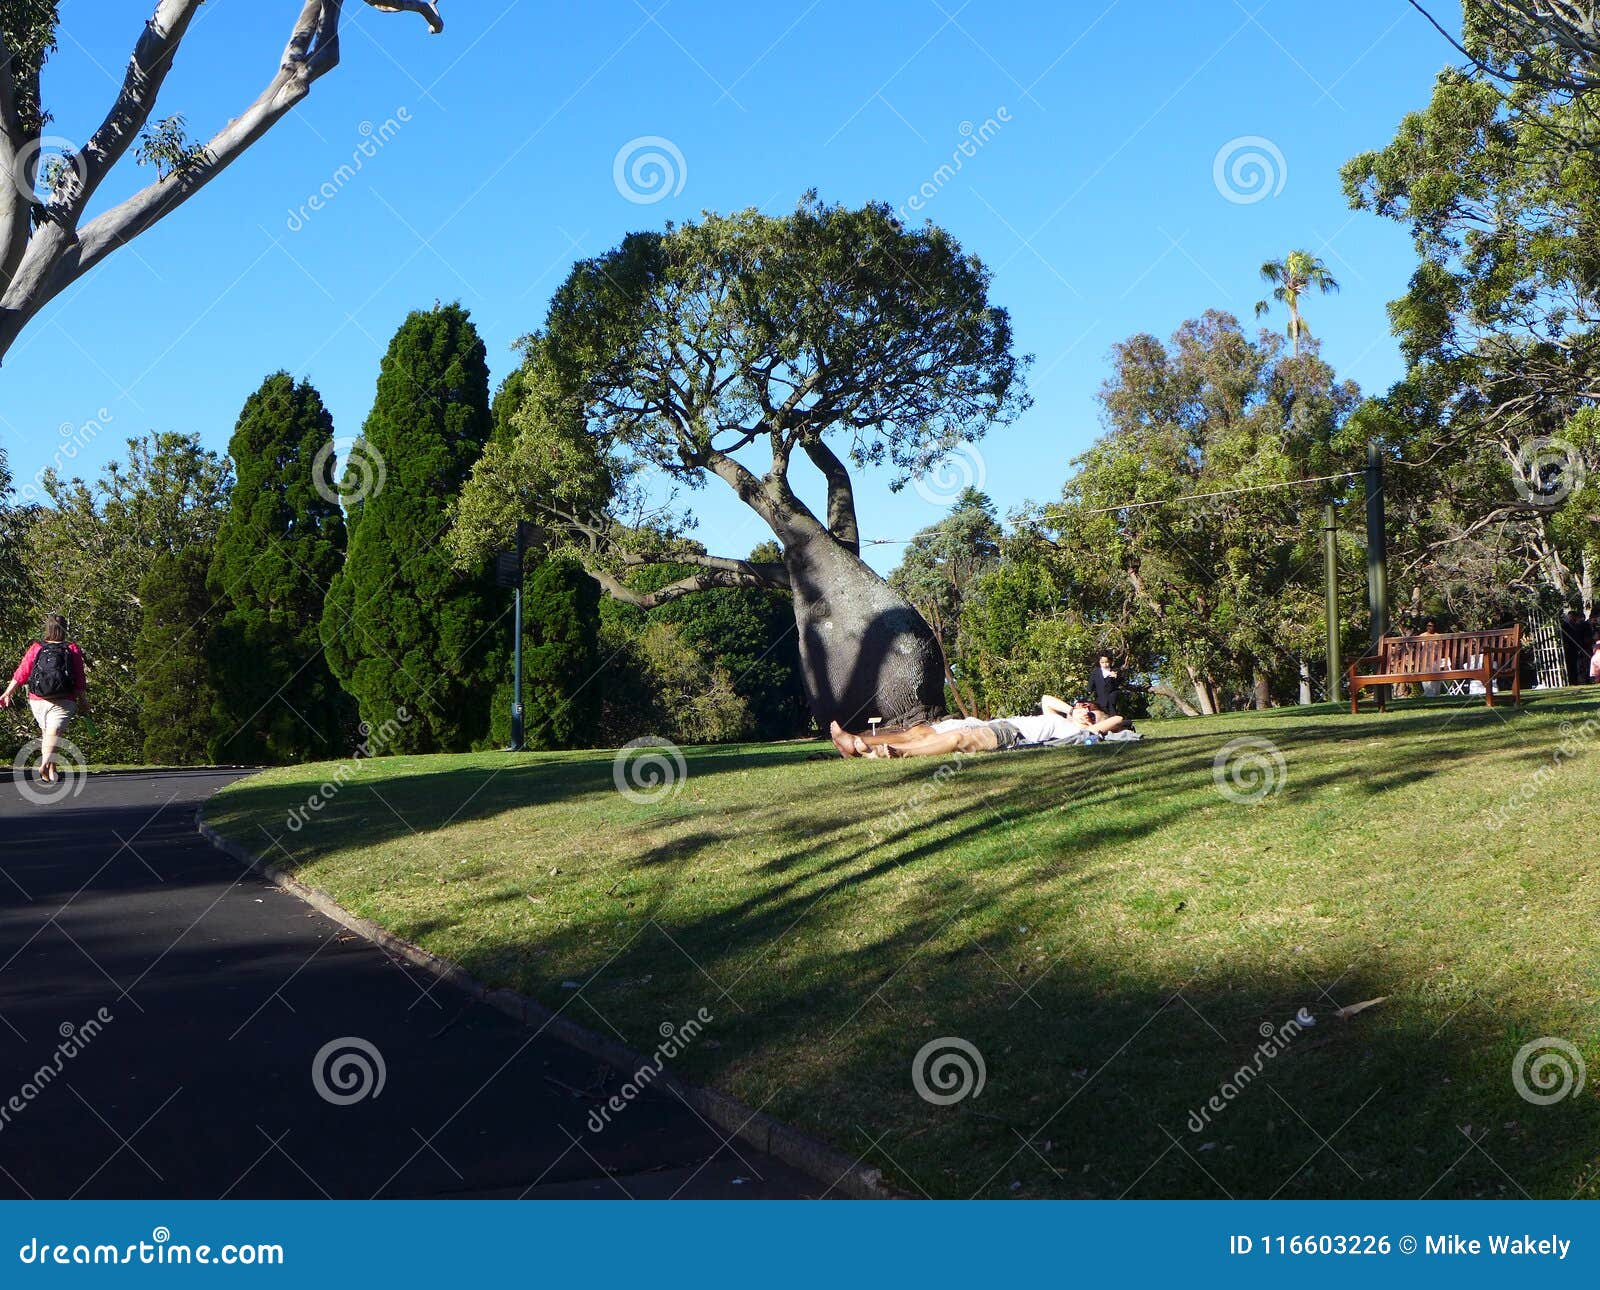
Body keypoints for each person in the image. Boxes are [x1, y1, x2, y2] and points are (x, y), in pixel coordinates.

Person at [829, 695, 1127, 760]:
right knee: (921, 730)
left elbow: (1119, 721)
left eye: (1091, 714)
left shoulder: (1078, 733)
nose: (1085, 714)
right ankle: (856, 741)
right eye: (1085, 710)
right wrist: (1075, 709)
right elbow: (1046, 699)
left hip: (1008, 735)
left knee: (957, 738)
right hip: (993, 725)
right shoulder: (1060, 717)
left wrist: (1095, 720)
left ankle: (884, 752)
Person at [1, 614, 88, 783]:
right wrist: (83, 700)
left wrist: (8, 692)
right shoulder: (72, 648)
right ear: (65, 628)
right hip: (64, 699)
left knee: (48, 733)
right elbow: (79, 678)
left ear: (47, 628)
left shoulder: (36, 647)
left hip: (38, 699)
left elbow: (22, 672)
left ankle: (51, 772)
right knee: (53, 733)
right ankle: (46, 763)